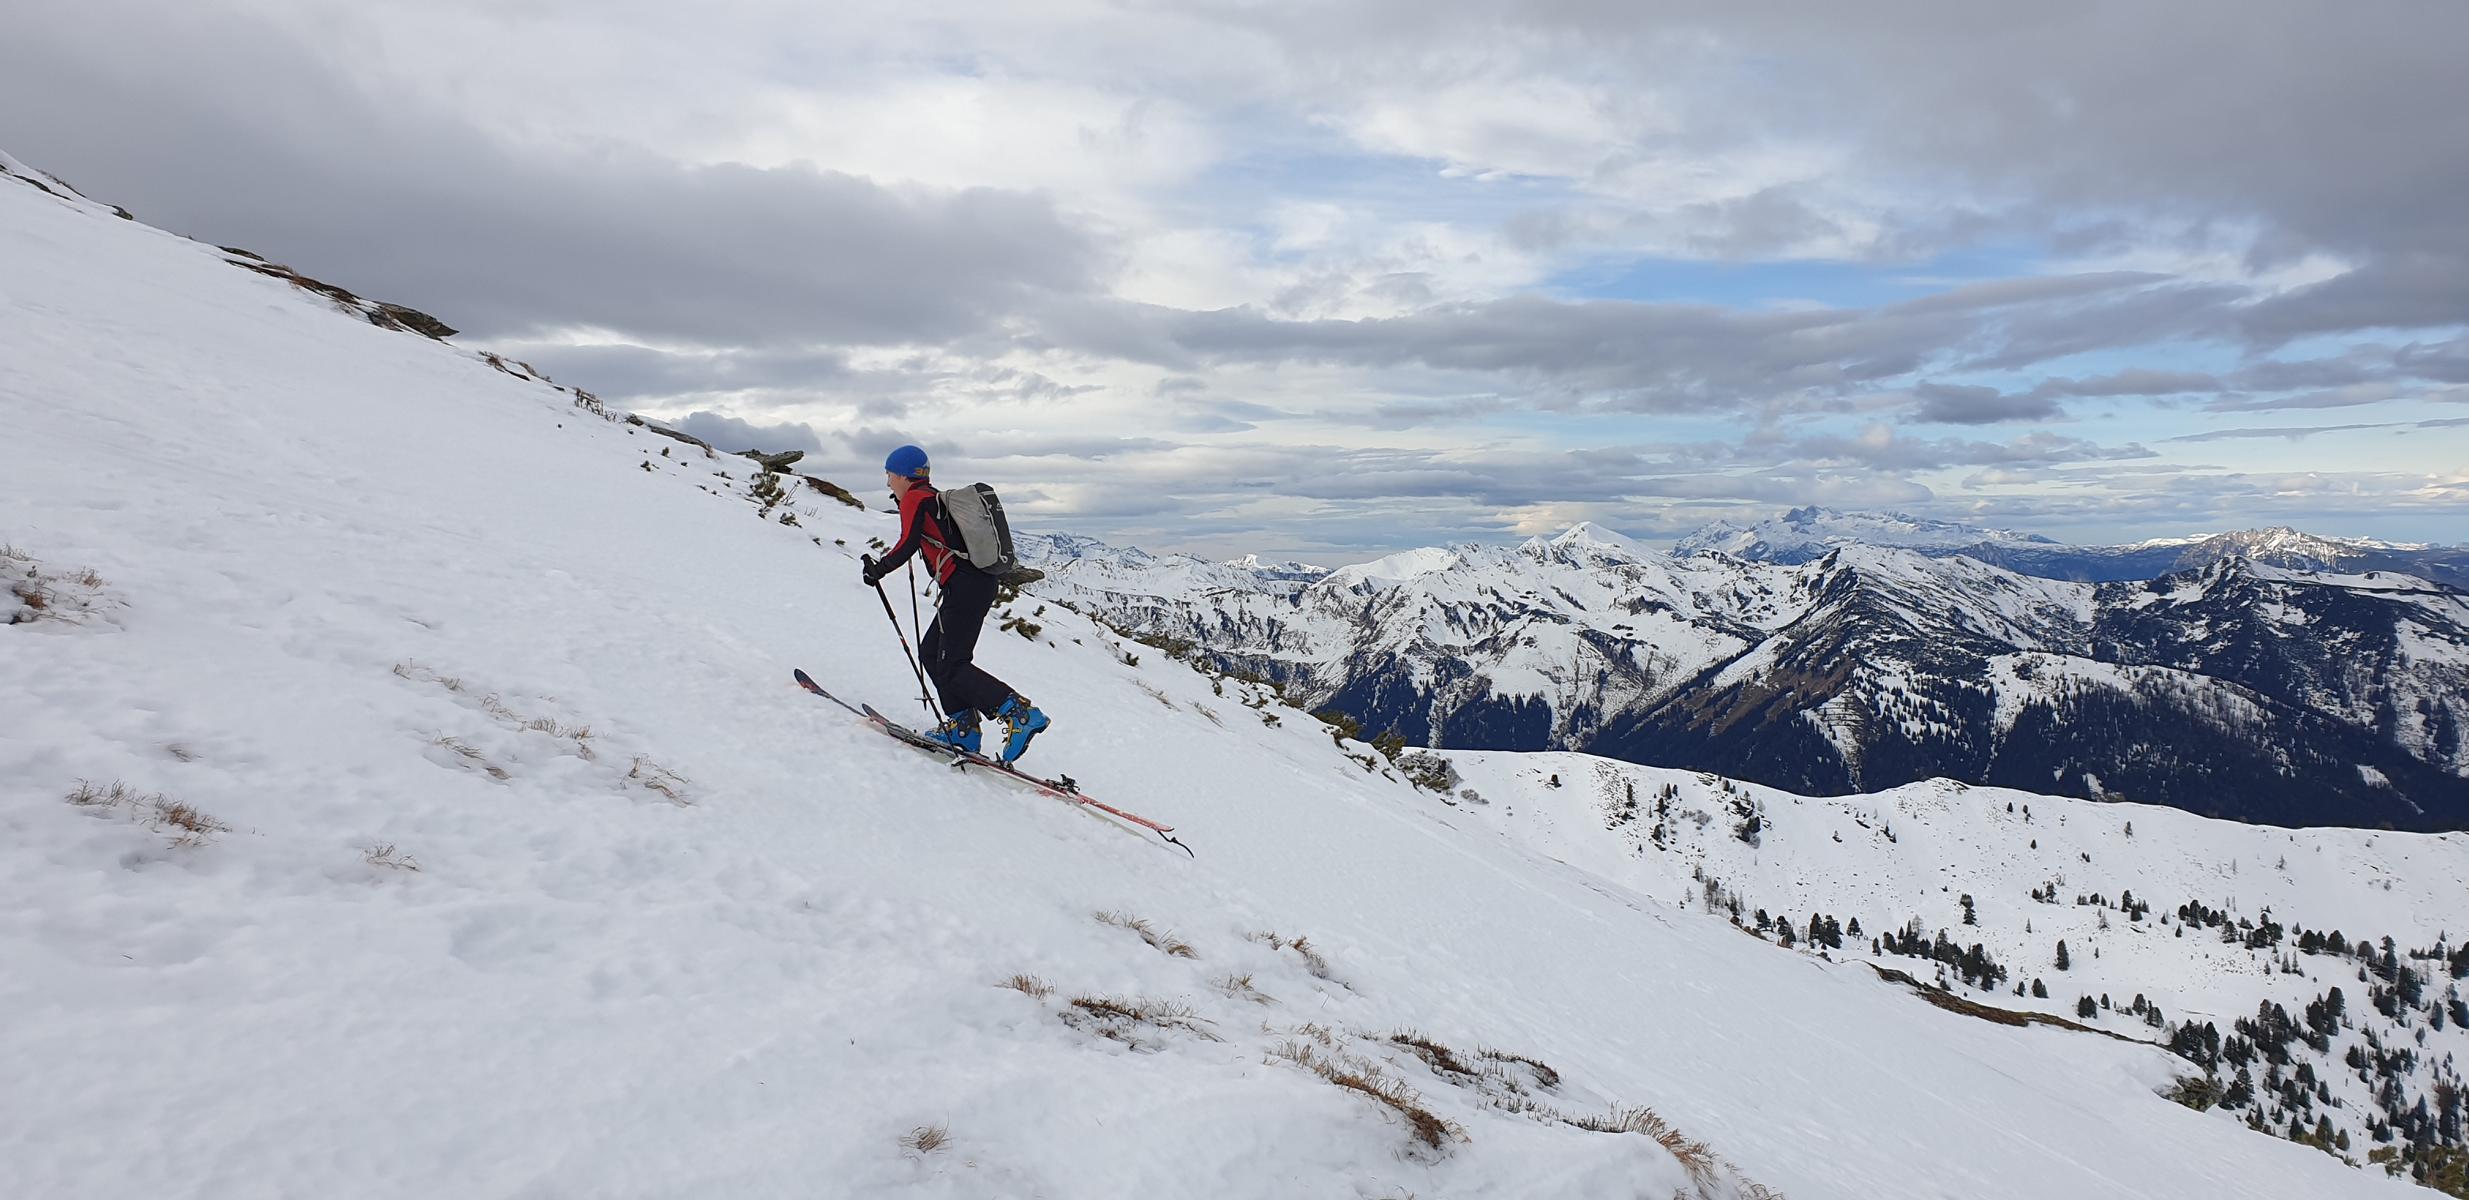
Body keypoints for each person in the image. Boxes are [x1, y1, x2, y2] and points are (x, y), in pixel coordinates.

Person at [861, 444, 1051, 762]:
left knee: (952, 664)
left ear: (901, 474)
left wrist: (877, 570)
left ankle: (1018, 712)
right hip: (973, 584)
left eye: (889, 474)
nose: (887, 482)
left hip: (965, 586)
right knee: (933, 653)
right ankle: (963, 726)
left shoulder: (915, 499)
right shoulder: (930, 497)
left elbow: (907, 544)